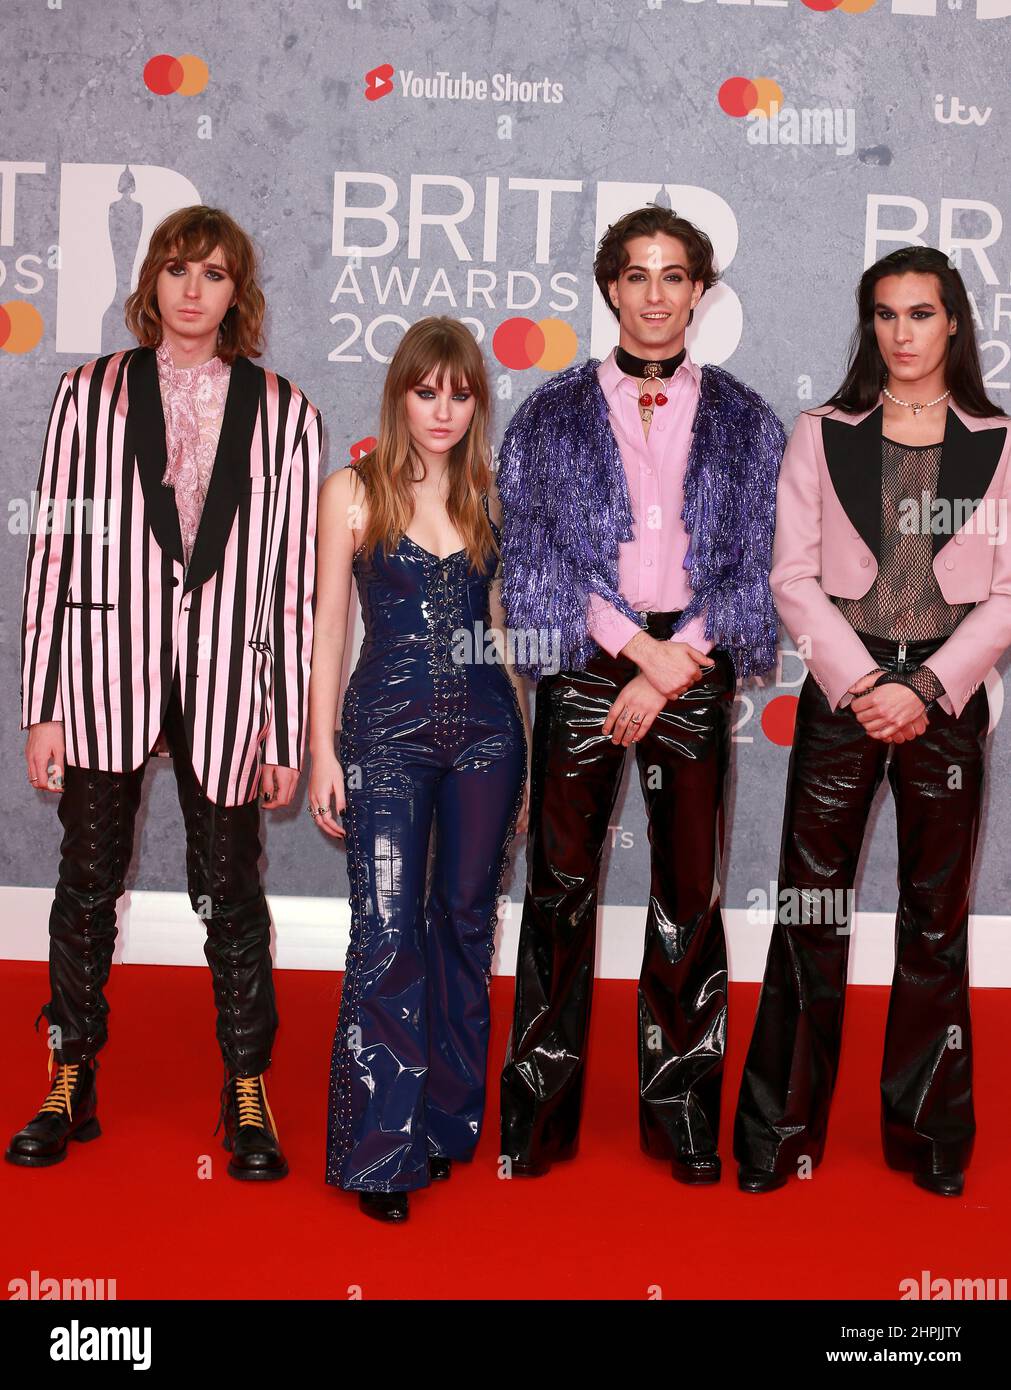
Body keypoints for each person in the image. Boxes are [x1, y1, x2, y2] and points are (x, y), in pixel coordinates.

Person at [8, 205, 321, 1181]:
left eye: (215, 273)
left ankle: (246, 1086)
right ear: (153, 281)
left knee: (231, 889)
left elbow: (296, 583)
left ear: (238, 293)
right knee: (87, 881)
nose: (194, 288)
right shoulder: (87, 394)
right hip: (104, 667)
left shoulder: (289, 413)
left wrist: (287, 726)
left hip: (230, 681)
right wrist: (44, 703)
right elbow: (54, 549)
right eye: (179, 268)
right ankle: (71, 1074)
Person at [496, 205, 785, 1184]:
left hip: (695, 670)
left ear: (700, 293)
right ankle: (536, 1111)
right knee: (561, 888)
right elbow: (530, 555)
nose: (656, 294)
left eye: (675, 276)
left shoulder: (747, 420)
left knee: (685, 896)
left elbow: (761, 563)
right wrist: (631, 649)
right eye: (637, 275)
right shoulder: (550, 414)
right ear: (609, 287)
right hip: (586, 662)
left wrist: (679, 655)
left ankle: (684, 1113)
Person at [734, 245, 1011, 1198]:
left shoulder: (1000, 439)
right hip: (842, 695)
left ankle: (929, 1140)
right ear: (870, 324)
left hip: (945, 702)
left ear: (953, 324)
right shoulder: (823, 431)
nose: (902, 333)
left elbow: (1008, 595)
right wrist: (860, 683)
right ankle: (776, 1138)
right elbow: (790, 576)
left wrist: (926, 687)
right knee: (809, 915)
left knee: (934, 926)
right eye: (886, 315)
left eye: (921, 314)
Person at [310, 316, 528, 1223]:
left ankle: (443, 1122)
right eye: (425, 389)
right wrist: (322, 748)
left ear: (476, 401)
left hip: (486, 734)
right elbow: (327, 632)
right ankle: (379, 1151)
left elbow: (510, 639)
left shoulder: (489, 495)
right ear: (400, 393)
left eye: (460, 391)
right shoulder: (352, 493)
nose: (442, 409)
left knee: (464, 926)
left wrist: (526, 749)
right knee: (387, 931)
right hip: (385, 736)